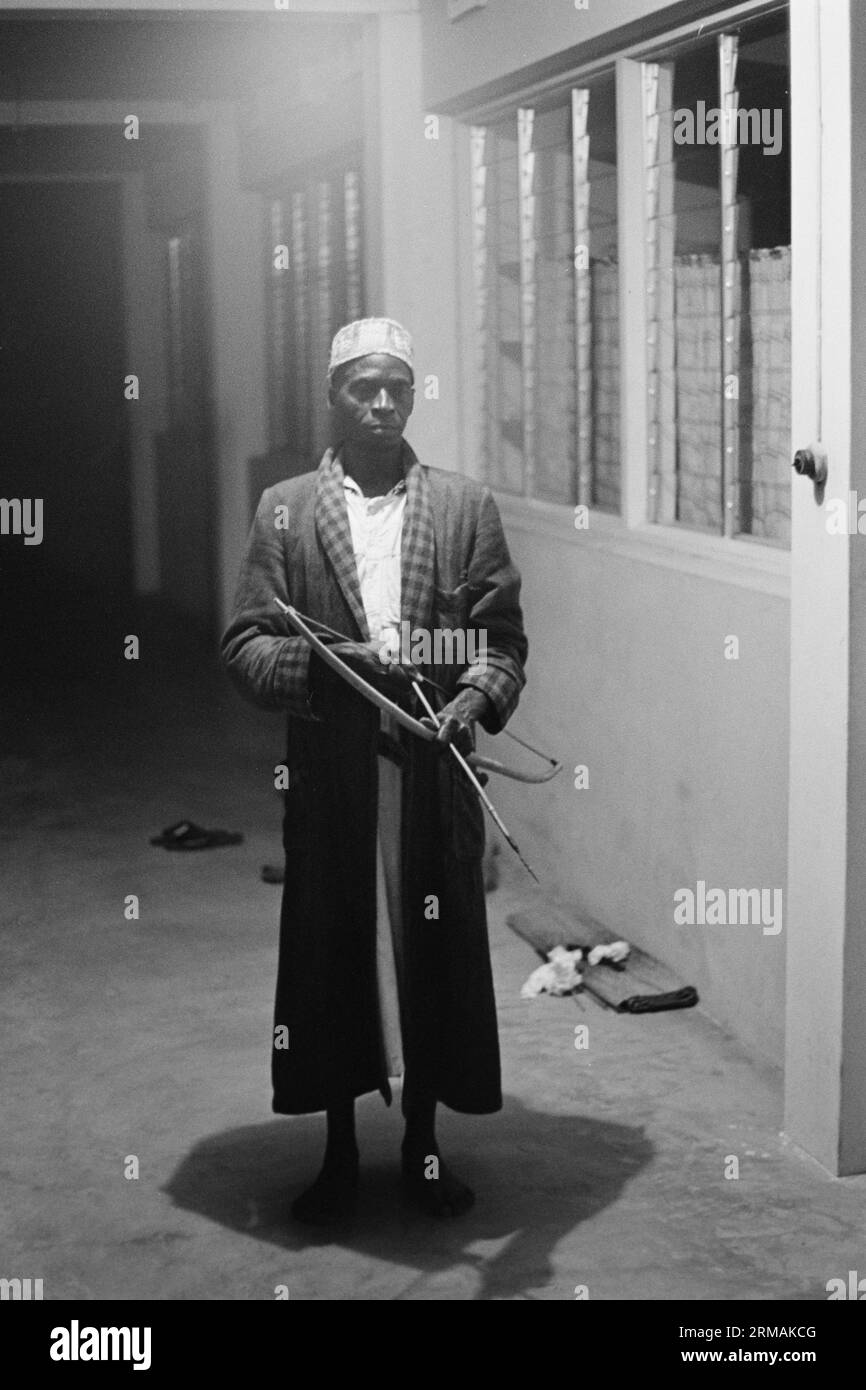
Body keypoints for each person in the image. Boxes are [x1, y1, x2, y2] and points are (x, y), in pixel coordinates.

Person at [221, 317, 527, 1223]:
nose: (384, 402)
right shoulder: (285, 509)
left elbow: (502, 639)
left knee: (430, 953)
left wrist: (474, 695)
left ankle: (425, 1147)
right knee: (335, 956)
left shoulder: (466, 507)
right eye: (364, 386)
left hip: (431, 778)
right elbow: (243, 643)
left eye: (399, 385)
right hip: (336, 778)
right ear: (333, 397)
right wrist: (319, 666)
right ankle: (340, 1154)